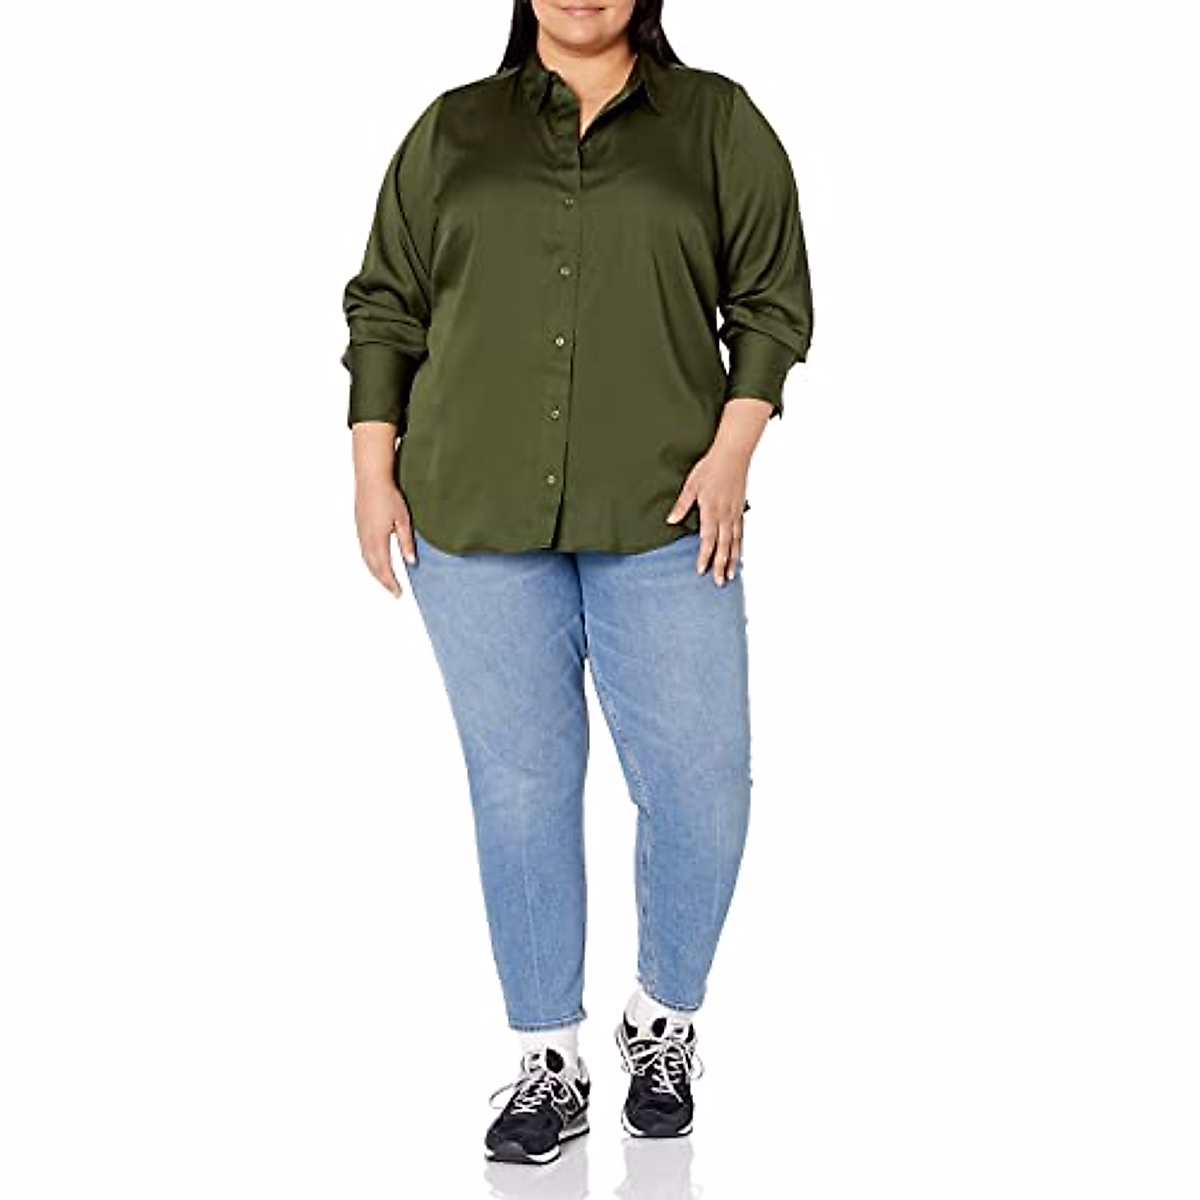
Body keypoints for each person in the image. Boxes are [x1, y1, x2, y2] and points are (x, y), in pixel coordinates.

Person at [339, 0, 813, 1167]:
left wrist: (733, 454)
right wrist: (370, 470)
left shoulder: (717, 123)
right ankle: (547, 1059)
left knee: (703, 787)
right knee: (521, 791)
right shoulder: (453, 130)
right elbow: (387, 303)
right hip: (473, 513)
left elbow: (771, 302)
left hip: (667, 511)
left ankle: (664, 1021)